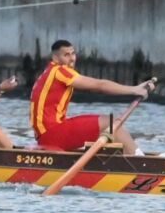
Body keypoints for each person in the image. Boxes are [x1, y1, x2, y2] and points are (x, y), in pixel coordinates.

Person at [26, 40, 155, 153]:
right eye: (66, 55)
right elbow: (99, 85)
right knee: (110, 122)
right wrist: (135, 90)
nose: (72, 59)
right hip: (52, 135)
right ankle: (140, 161)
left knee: (108, 126)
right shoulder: (60, 72)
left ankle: (127, 157)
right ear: (55, 58)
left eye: (73, 53)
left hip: (47, 135)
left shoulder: (49, 72)